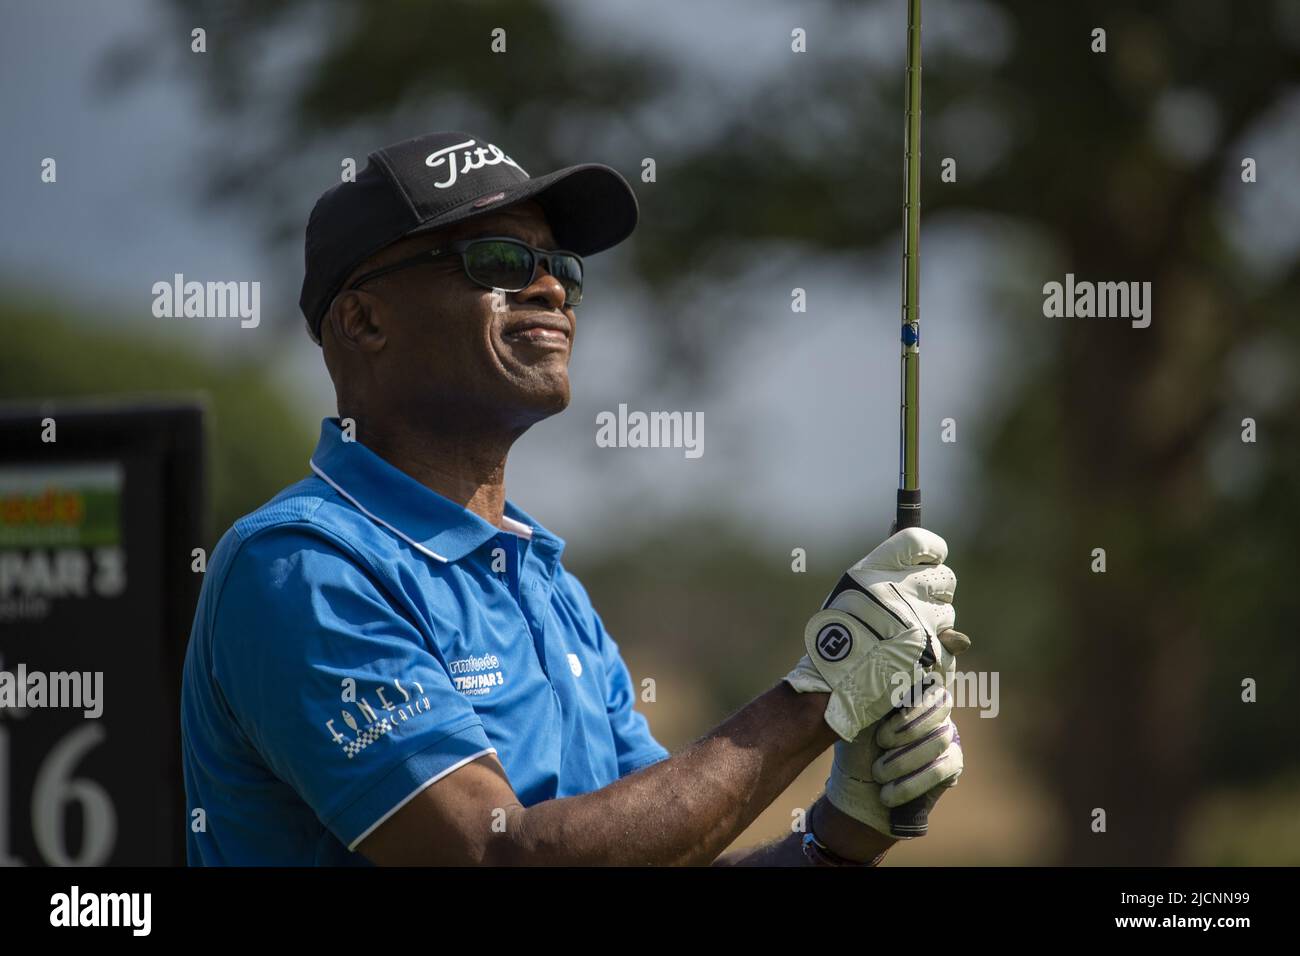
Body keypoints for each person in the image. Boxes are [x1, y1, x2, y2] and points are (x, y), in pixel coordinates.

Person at [180, 130, 968, 866]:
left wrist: (841, 835)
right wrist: (819, 691)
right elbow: (498, 853)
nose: (552, 286)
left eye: (563, 267)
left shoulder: (547, 584)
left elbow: (653, 853)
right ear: (363, 319)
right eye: (499, 260)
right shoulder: (301, 569)